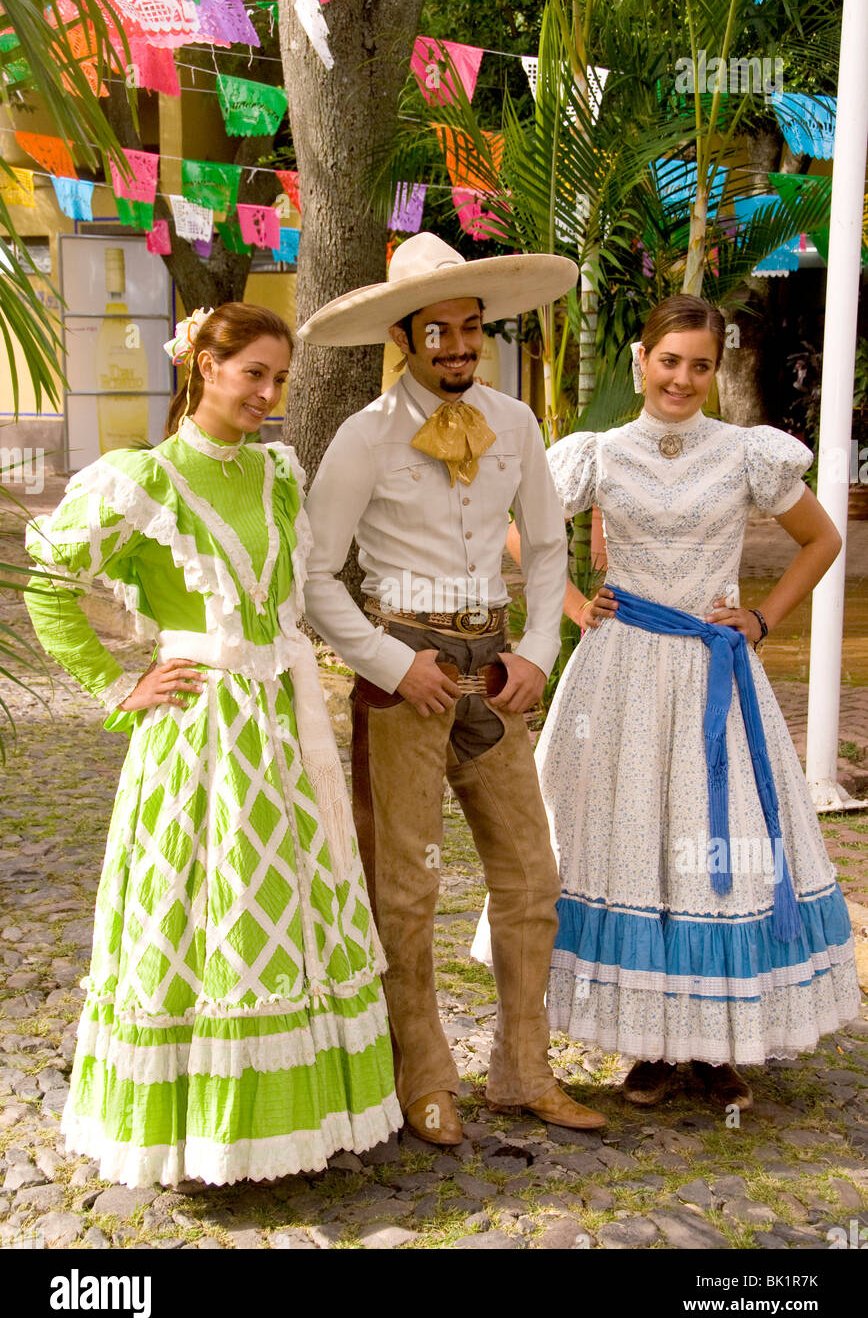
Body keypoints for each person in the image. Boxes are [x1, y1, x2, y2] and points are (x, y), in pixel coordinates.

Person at [25, 302, 400, 1187]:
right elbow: (48, 582)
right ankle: (198, 1136)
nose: (268, 394)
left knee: (281, 898)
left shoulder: (275, 472)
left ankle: (295, 1125)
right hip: (198, 733)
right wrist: (122, 687)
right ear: (202, 366)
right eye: (252, 375)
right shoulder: (141, 479)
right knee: (201, 907)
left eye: (279, 378)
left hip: (279, 721)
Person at [476, 293, 861, 1111]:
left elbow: (823, 539)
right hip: (619, 672)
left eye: (699, 364)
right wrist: (576, 605)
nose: (682, 378)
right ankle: (647, 1046)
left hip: (715, 674)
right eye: (669, 360)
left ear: (714, 372)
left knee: (717, 851)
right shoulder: (600, 454)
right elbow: (515, 524)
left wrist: (760, 618)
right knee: (627, 839)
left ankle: (718, 1045)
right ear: (639, 362)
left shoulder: (748, 454)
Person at [297, 232, 606, 1145]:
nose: (461, 346)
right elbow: (316, 577)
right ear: (406, 336)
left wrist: (540, 653)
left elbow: (549, 551)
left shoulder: (517, 426)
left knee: (531, 876)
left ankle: (522, 1068)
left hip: (496, 674)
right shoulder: (363, 438)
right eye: (441, 331)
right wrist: (393, 664)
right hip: (407, 680)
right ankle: (423, 1074)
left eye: (472, 328)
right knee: (409, 887)